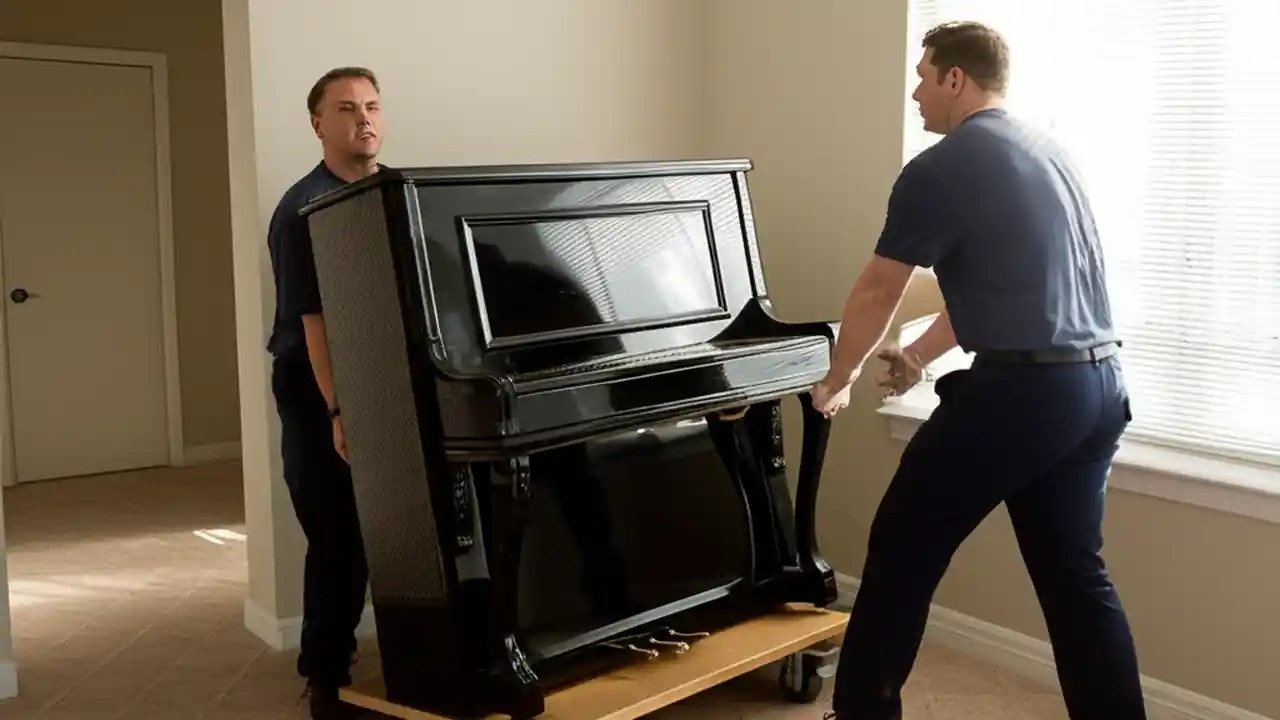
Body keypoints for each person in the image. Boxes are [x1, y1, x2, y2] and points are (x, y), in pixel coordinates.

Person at [810, 21, 1147, 720]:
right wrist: (919, 360)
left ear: (955, 78)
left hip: (1020, 399)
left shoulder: (942, 166)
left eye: (924, 74)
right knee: (1074, 578)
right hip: (1096, 389)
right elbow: (1000, 285)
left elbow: (880, 289)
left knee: (902, 550)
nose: (915, 91)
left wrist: (837, 379)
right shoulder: (1049, 151)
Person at [266, 66, 385, 719]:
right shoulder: (302, 210)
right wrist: (341, 409)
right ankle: (326, 682)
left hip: (377, 376)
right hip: (316, 387)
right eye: (345, 109)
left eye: (371, 105)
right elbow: (316, 324)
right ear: (318, 125)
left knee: (388, 532)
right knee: (336, 535)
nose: (362, 118)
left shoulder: (389, 191)